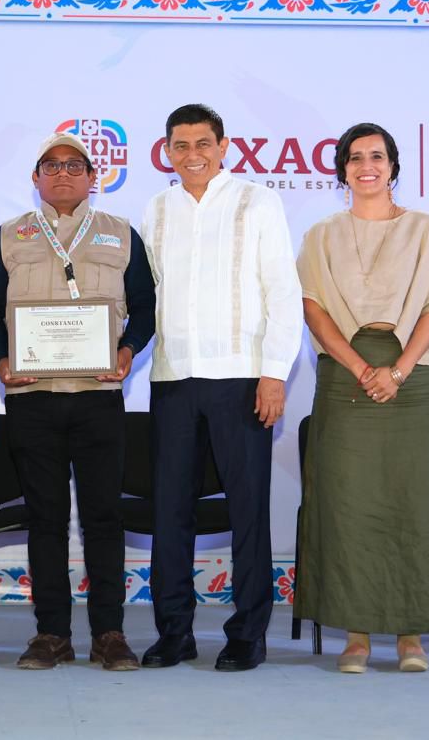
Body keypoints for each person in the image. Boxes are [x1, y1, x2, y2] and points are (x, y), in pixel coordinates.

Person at [293, 122, 429, 673]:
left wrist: (396, 371)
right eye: (355, 157)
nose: (366, 166)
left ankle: (411, 636)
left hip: (416, 379)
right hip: (345, 378)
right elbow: (312, 308)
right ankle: (356, 637)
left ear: (394, 166)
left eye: (376, 156)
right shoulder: (321, 235)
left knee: (416, 504)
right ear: (342, 170)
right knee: (349, 507)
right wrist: (361, 368)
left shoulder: (427, 230)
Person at [0, 132, 155, 671]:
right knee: (45, 520)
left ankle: (109, 634)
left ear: (94, 177)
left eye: (75, 165)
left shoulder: (121, 234)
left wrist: (127, 350)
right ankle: (51, 633)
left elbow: (146, 307)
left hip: (99, 397)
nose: (62, 173)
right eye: (50, 165)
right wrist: (2, 360)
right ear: (35, 178)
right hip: (32, 398)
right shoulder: (10, 236)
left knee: (104, 518)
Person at [139, 104, 302, 672]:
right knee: (170, 513)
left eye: (203, 143)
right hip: (173, 378)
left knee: (248, 510)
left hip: (242, 378)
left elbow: (283, 291)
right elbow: (143, 297)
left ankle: (248, 634)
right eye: (181, 146)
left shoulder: (258, 201)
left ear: (223, 146)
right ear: (167, 152)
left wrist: (274, 373)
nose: (193, 155)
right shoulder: (156, 209)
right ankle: (174, 633)